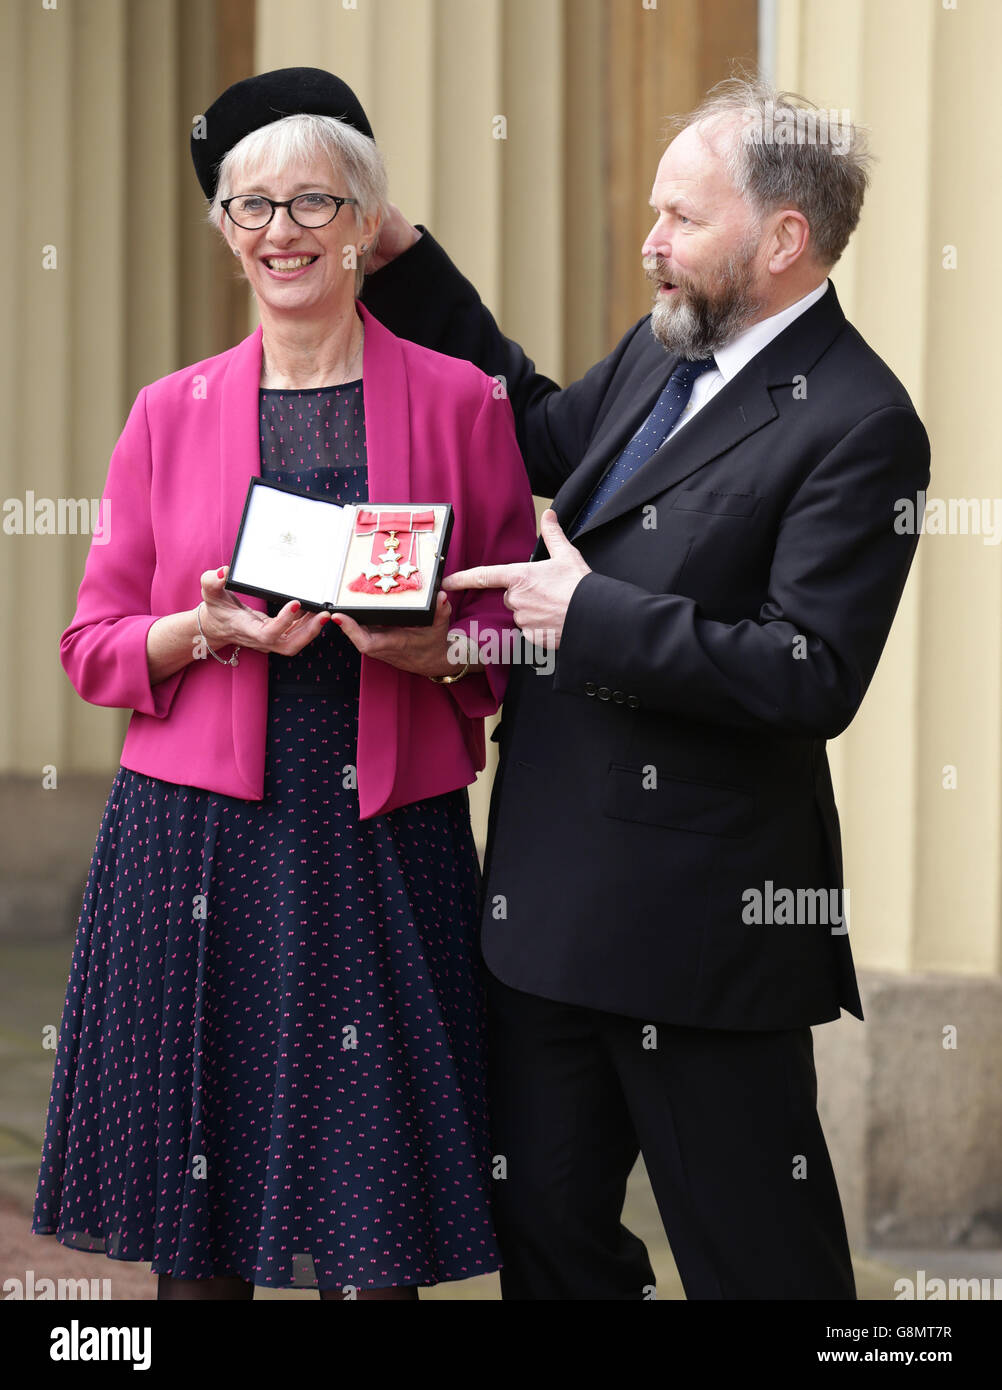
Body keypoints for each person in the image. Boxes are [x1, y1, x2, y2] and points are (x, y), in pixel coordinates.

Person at [362, 76, 931, 1299]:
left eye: (681, 216)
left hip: (705, 934)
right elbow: (523, 434)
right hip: (544, 912)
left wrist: (589, 614)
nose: (649, 240)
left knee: (763, 1270)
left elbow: (811, 672)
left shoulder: (863, 421)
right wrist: (405, 263)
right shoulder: (660, 347)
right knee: (549, 1249)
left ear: (784, 239)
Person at [32, 67, 537, 1301]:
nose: (281, 233)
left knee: (375, 1238)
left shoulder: (465, 401)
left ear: (368, 224)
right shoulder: (166, 412)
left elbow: (514, 627)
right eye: (251, 208)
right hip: (194, 841)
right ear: (226, 235)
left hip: (382, 839)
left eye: (313, 203)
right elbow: (94, 643)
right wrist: (194, 633)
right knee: (194, 1246)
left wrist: (443, 652)